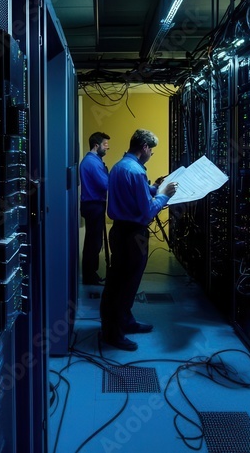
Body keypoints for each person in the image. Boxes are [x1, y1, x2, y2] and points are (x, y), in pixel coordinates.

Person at [100, 129, 177, 351]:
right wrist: (165, 195)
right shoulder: (136, 171)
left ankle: (125, 322)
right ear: (144, 147)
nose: (151, 153)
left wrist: (153, 188)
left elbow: (134, 193)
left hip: (120, 231)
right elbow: (146, 212)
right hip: (133, 234)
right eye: (151, 149)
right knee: (126, 284)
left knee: (118, 280)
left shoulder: (119, 167)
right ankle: (113, 334)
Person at [79, 132, 111, 285]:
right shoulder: (92, 163)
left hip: (91, 205)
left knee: (92, 241)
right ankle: (90, 276)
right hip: (94, 205)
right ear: (96, 145)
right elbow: (105, 184)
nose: (107, 147)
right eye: (105, 144)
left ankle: (90, 274)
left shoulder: (91, 161)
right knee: (94, 243)